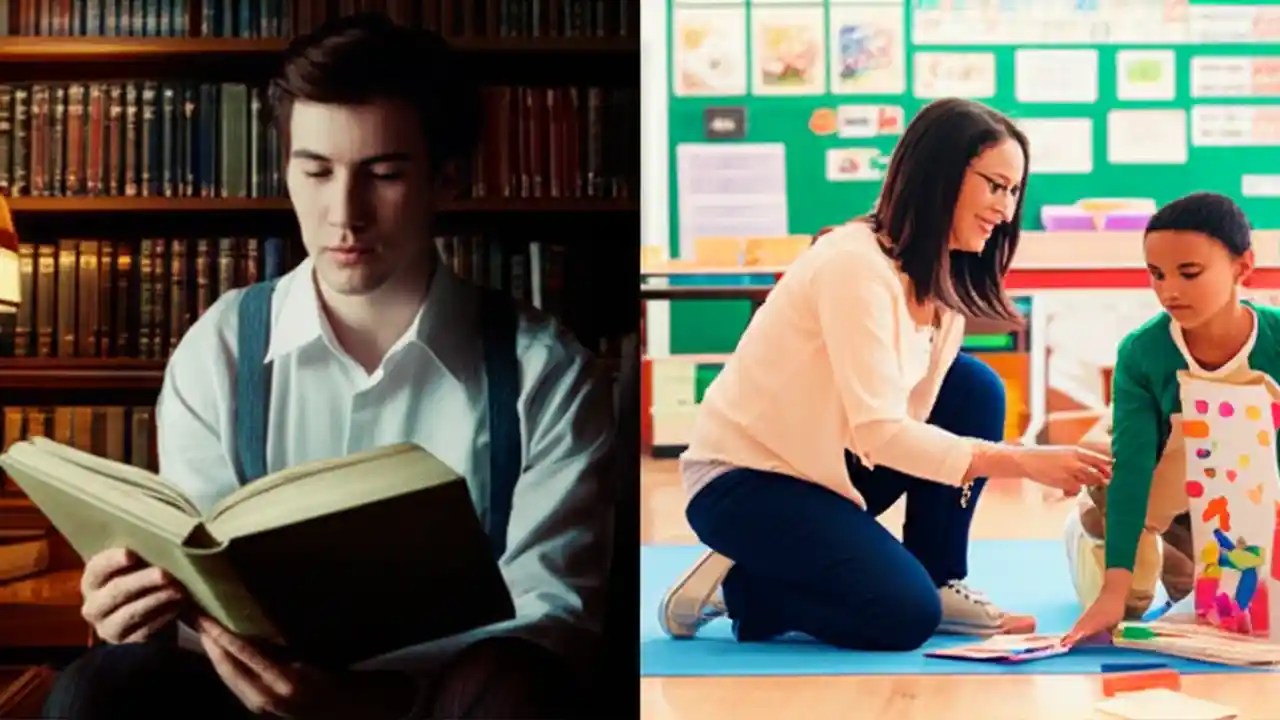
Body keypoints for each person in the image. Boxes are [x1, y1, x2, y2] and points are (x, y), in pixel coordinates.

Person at [43, 13, 616, 720]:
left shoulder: (545, 373)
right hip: (243, 698)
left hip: (436, 706)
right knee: (98, 688)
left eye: (384, 174)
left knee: (516, 685)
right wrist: (134, 609)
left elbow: (555, 620)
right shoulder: (221, 345)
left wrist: (367, 700)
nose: (344, 213)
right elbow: (195, 580)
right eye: (315, 171)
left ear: (447, 179)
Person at [657, 97, 1112, 652]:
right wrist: (1022, 460)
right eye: (995, 186)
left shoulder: (939, 278)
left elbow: (909, 423)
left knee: (973, 388)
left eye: (1014, 191)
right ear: (940, 174)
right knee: (903, 616)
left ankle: (938, 576)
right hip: (746, 483)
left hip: (827, 465)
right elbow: (881, 433)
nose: (1006, 209)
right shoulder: (854, 264)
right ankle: (744, 588)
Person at [1063, 192, 1279, 646]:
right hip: (1157, 491)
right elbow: (1134, 469)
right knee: (1129, 604)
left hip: (1245, 501)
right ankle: (1088, 525)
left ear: (1242, 266)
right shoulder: (1142, 353)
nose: (1169, 291)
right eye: (1157, 274)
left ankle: (1179, 560)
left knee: (1238, 603)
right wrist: (1112, 592)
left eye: (1189, 272)